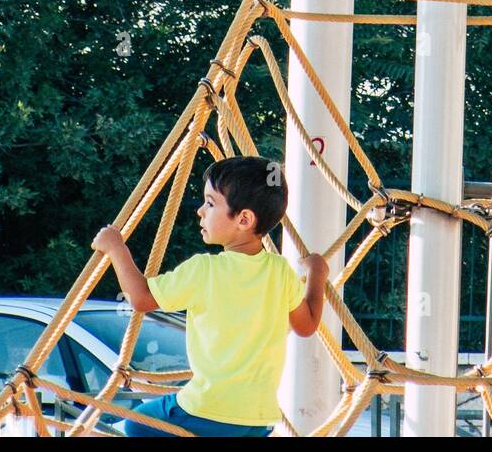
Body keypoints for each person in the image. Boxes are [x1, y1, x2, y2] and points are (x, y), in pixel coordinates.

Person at [91, 156, 327, 437]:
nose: (200, 211)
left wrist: (116, 249)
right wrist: (318, 275)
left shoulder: (205, 270)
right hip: (258, 420)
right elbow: (307, 324)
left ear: (244, 219)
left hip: (205, 409)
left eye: (211, 203)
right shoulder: (280, 272)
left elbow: (141, 298)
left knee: (136, 423)